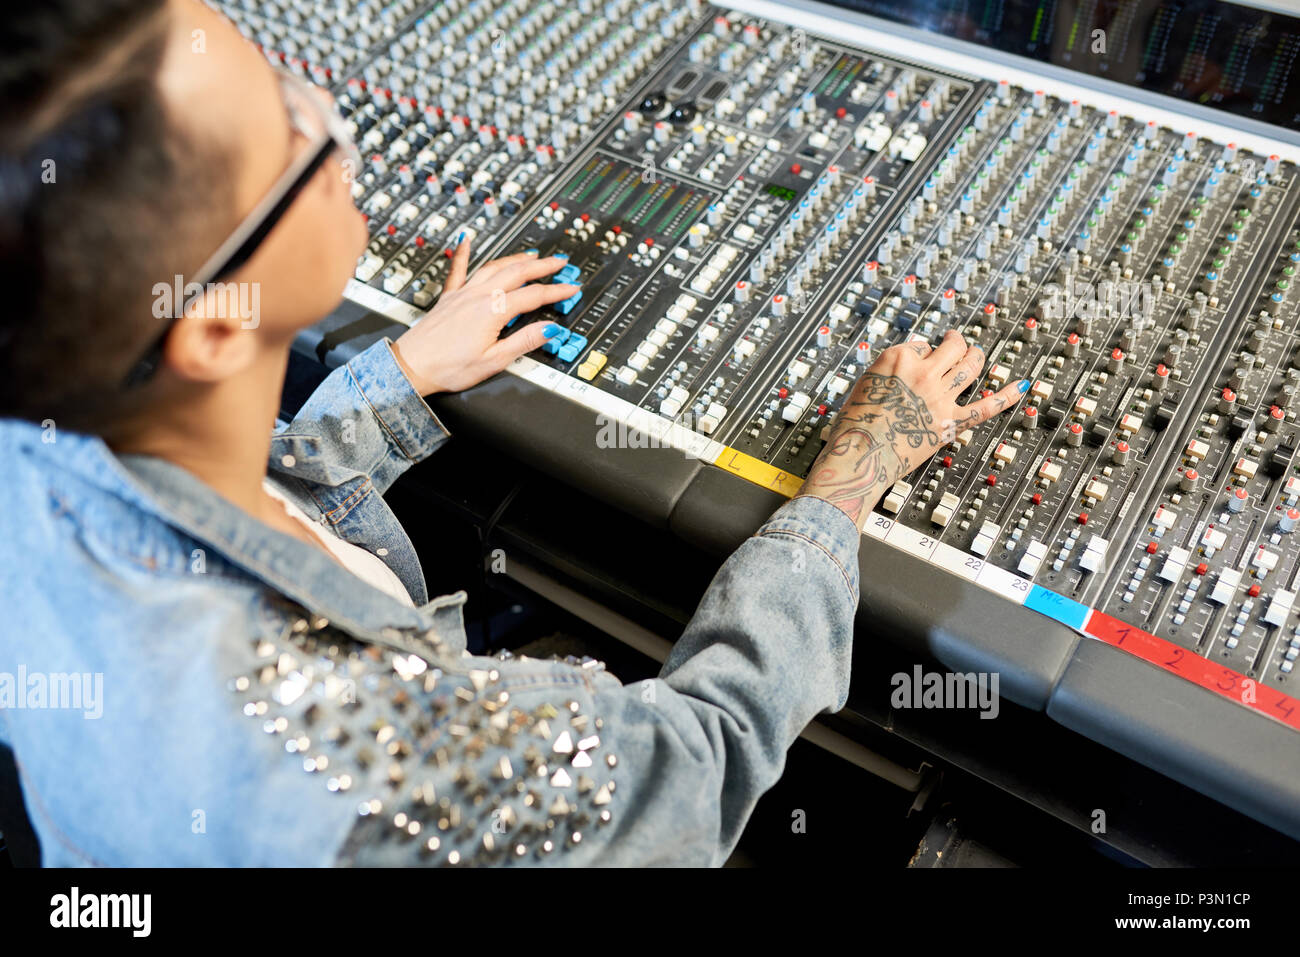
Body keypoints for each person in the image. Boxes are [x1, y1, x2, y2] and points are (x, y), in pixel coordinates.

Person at [0, 0, 1027, 866]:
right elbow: (695, 765)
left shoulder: (41, 442)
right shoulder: (360, 739)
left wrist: (394, 379)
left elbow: (239, 500)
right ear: (216, 322)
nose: (326, 113)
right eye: (288, 127)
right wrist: (840, 491)